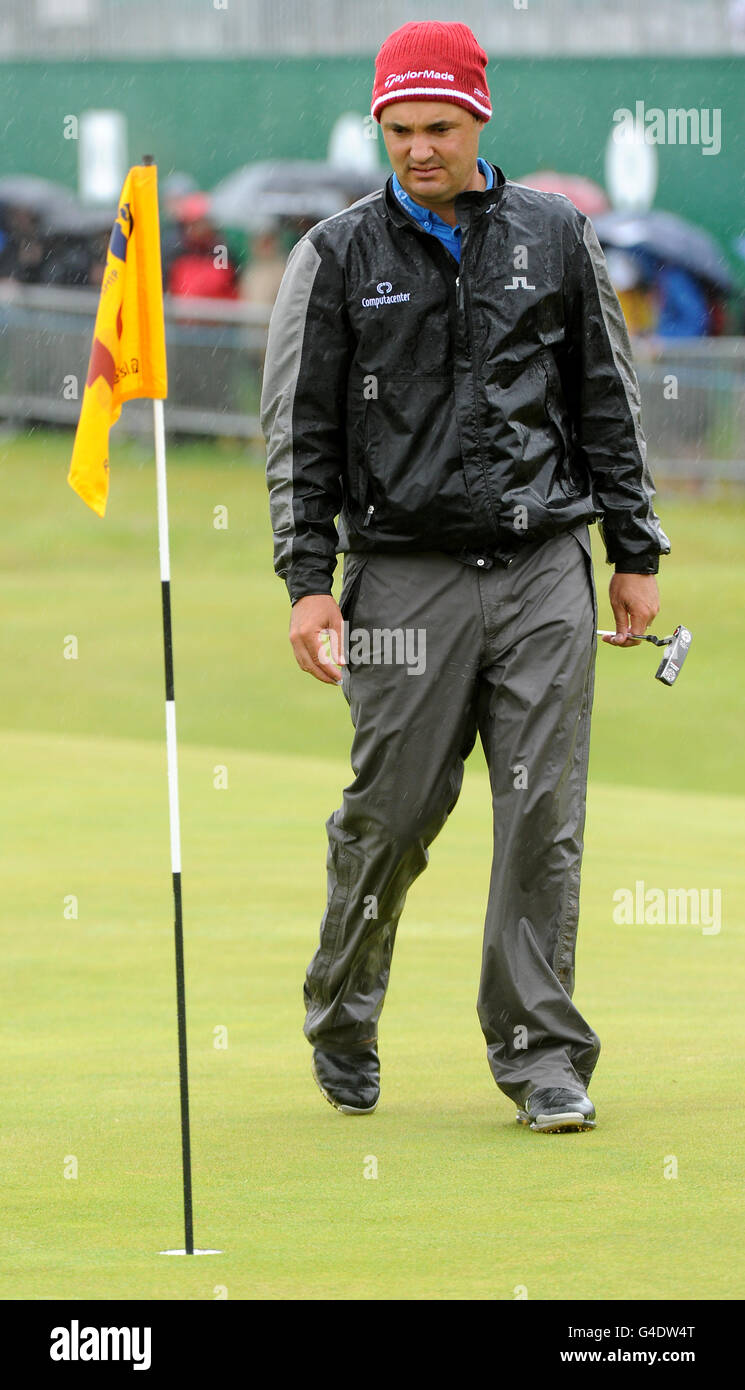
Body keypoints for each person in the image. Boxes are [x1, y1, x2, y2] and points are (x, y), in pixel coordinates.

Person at [261, 20, 670, 1134]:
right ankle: (341, 1006)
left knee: (542, 816)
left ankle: (541, 1055)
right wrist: (308, 581)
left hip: (544, 568)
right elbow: (300, 434)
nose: (417, 150)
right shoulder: (337, 254)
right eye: (397, 130)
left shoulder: (553, 232)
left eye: (437, 128)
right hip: (399, 580)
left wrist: (632, 553)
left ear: (479, 119)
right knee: (391, 815)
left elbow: (603, 404)